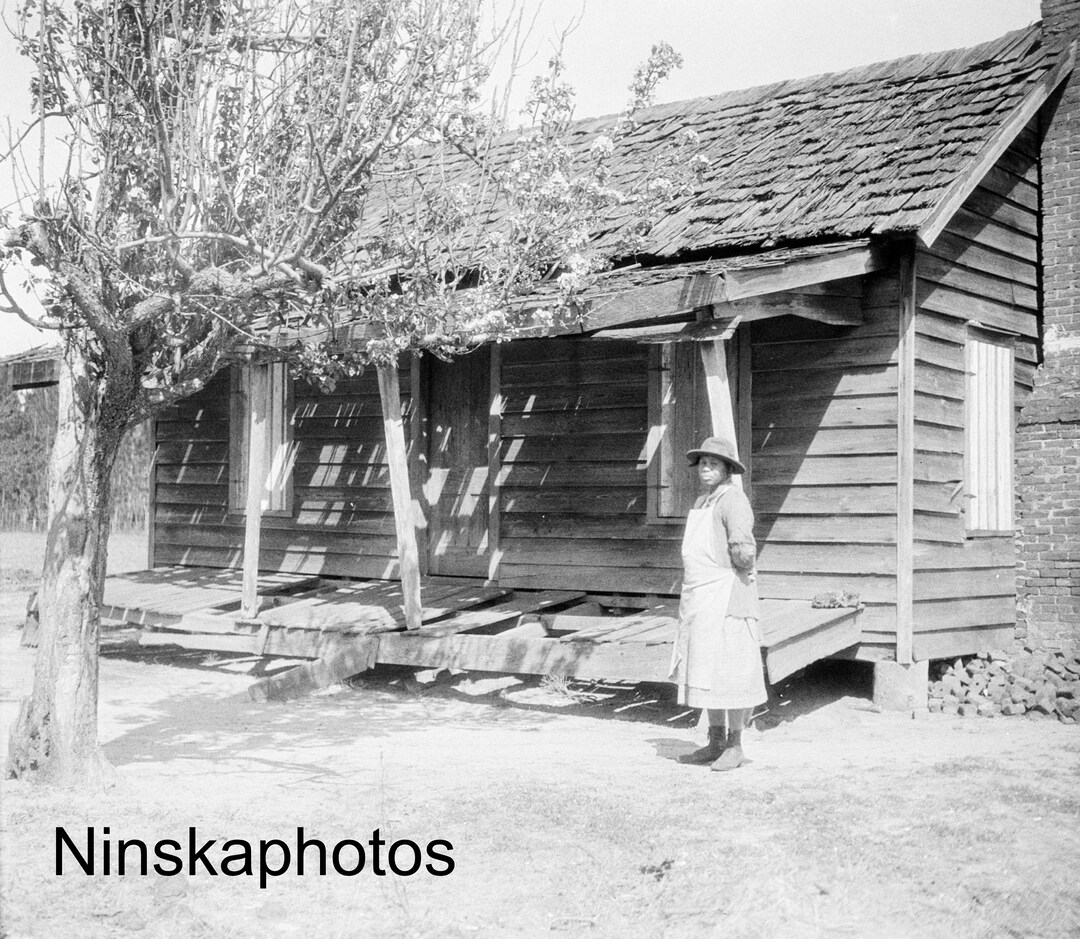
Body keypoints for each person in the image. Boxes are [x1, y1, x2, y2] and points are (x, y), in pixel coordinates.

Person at [670, 436, 766, 772]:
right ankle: (714, 740)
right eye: (703, 464)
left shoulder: (733, 500)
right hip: (700, 597)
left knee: (731, 672)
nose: (706, 469)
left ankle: (735, 745)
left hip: (727, 597)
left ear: (727, 470)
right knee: (705, 669)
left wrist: (740, 573)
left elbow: (742, 547)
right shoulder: (702, 501)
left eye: (714, 464)